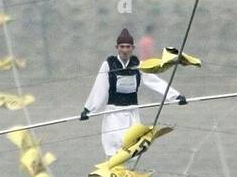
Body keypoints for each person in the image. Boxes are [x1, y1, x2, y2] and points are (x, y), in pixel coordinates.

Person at [80, 27, 186, 157]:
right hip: (114, 113)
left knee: (132, 147)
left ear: (133, 48)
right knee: (115, 145)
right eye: (122, 47)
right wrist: (89, 110)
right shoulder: (109, 64)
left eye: (128, 47)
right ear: (117, 47)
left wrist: (175, 96)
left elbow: (154, 81)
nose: (125, 50)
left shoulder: (138, 64)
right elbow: (100, 87)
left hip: (132, 112)